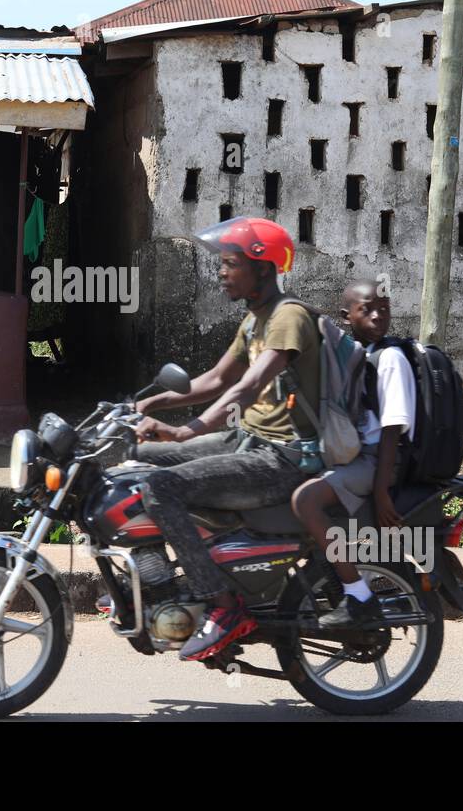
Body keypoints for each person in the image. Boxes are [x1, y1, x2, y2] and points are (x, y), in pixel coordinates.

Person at [132, 217, 320, 662]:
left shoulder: (289, 317)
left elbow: (246, 388)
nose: (221, 271)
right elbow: (215, 379)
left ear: (263, 268)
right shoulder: (255, 321)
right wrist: (146, 405)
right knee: (136, 461)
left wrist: (187, 430)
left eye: (231, 263)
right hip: (247, 441)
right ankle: (154, 583)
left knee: (162, 486)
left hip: (284, 459)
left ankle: (220, 602)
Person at [290, 280, 415, 626]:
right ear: (347, 316)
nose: (378, 316)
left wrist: (380, 491)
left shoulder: (389, 358)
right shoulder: (358, 354)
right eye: (367, 309)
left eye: (384, 309)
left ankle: (357, 594)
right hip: (364, 457)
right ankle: (326, 573)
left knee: (306, 501)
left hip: (381, 461)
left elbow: (392, 429)